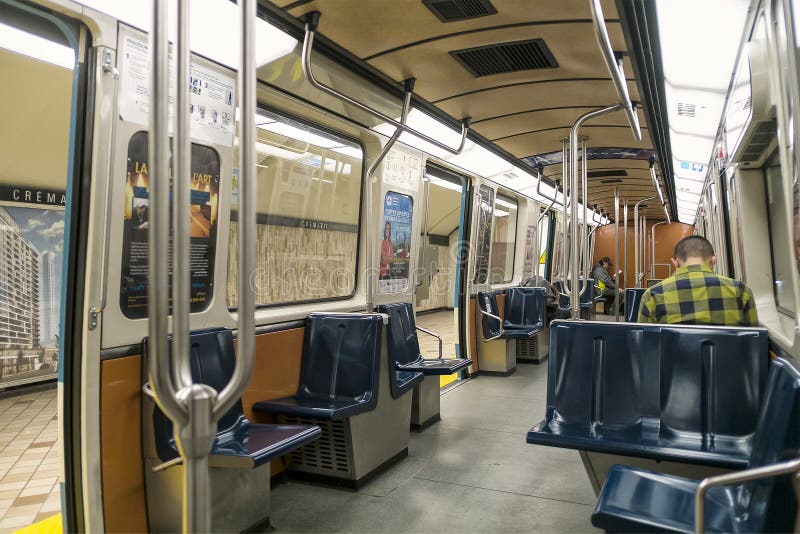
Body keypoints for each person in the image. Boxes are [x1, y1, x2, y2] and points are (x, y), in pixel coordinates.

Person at [638, 235, 758, 326]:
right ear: (714, 259)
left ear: (675, 263)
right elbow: (753, 340)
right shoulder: (741, 291)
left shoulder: (653, 295)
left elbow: (643, 346)